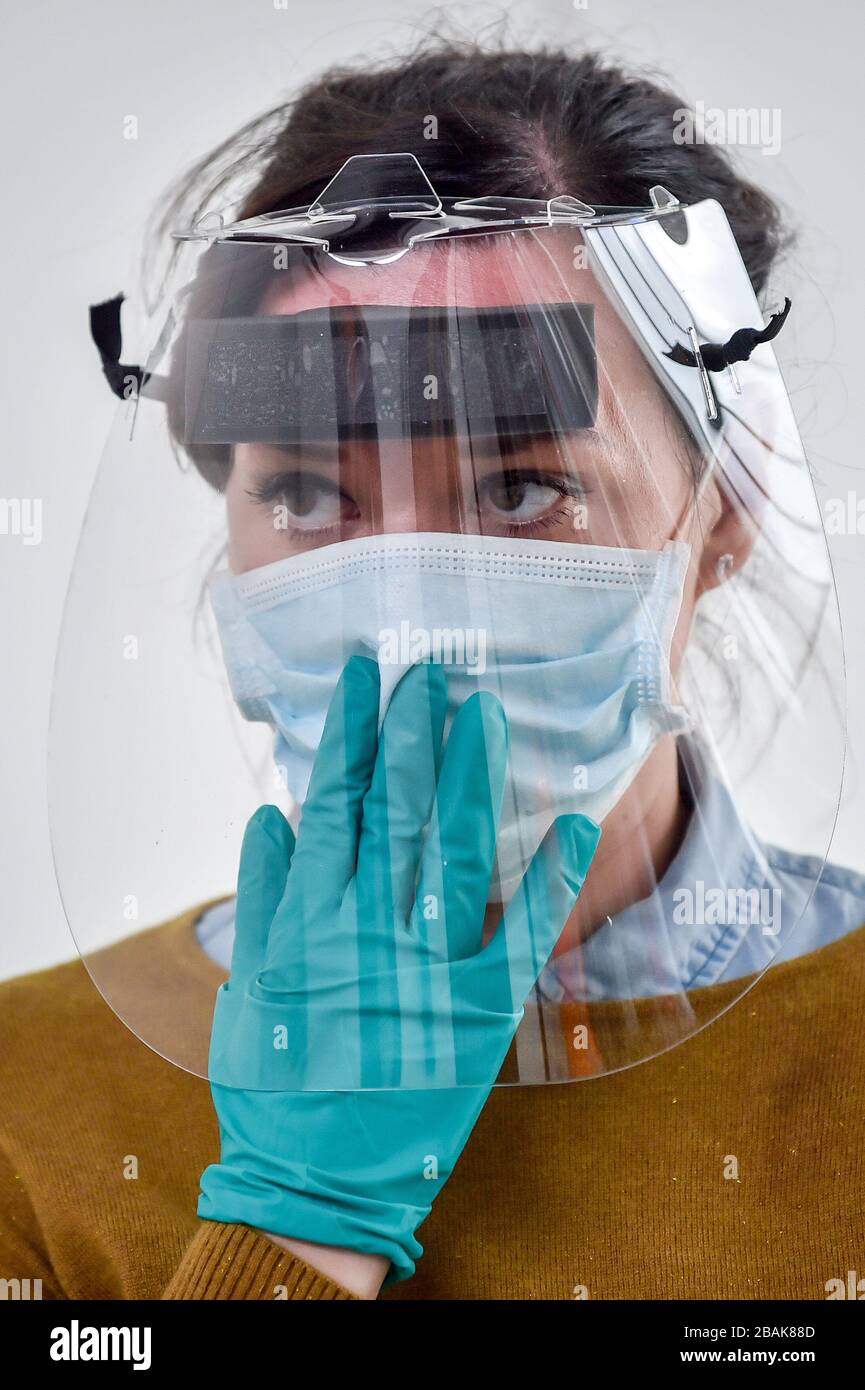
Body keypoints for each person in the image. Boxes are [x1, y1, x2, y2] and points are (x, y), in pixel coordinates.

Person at [2, 39, 863, 1303]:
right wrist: (294, 1225)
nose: (406, 617)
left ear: (724, 512)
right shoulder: (26, 1102)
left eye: (520, 488)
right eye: (303, 492)